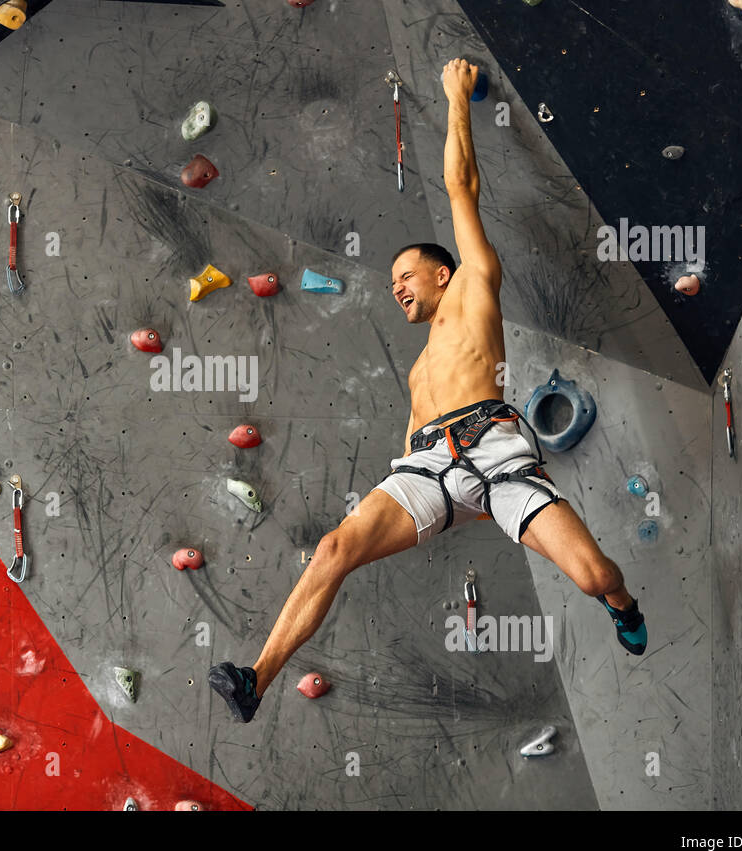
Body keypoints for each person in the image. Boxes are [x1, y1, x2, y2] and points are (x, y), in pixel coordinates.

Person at [209, 58, 647, 724]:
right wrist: (446, 494)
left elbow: (458, 184)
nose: (398, 288)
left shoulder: (473, 286)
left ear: (443, 273)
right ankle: (256, 680)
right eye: (392, 285)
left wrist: (454, 99)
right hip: (425, 468)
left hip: (497, 460)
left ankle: (623, 607)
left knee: (594, 577)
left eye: (406, 275)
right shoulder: (422, 363)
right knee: (334, 549)